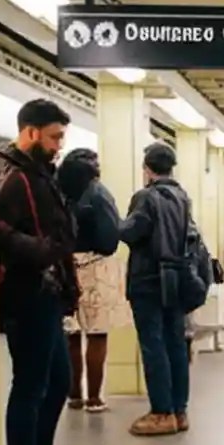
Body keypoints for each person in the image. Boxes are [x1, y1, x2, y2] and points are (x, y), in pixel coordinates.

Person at [0, 99, 80, 445]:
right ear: (30, 132)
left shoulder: (39, 173)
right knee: (29, 388)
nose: (59, 145)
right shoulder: (11, 176)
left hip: (48, 292)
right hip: (26, 294)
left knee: (59, 381)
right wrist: (43, 252)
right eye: (54, 137)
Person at [120, 143, 203, 437]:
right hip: (176, 279)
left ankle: (160, 412)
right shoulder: (182, 197)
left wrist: (114, 224)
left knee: (153, 345)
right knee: (175, 344)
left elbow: (132, 232)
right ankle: (179, 410)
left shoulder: (146, 197)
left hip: (148, 280)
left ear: (147, 168)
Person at [56, 148, 127, 415]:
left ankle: (74, 395)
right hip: (96, 269)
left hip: (65, 266)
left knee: (72, 334)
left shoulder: (58, 191)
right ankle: (94, 399)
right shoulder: (99, 193)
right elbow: (110, 238)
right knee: (97, 334)